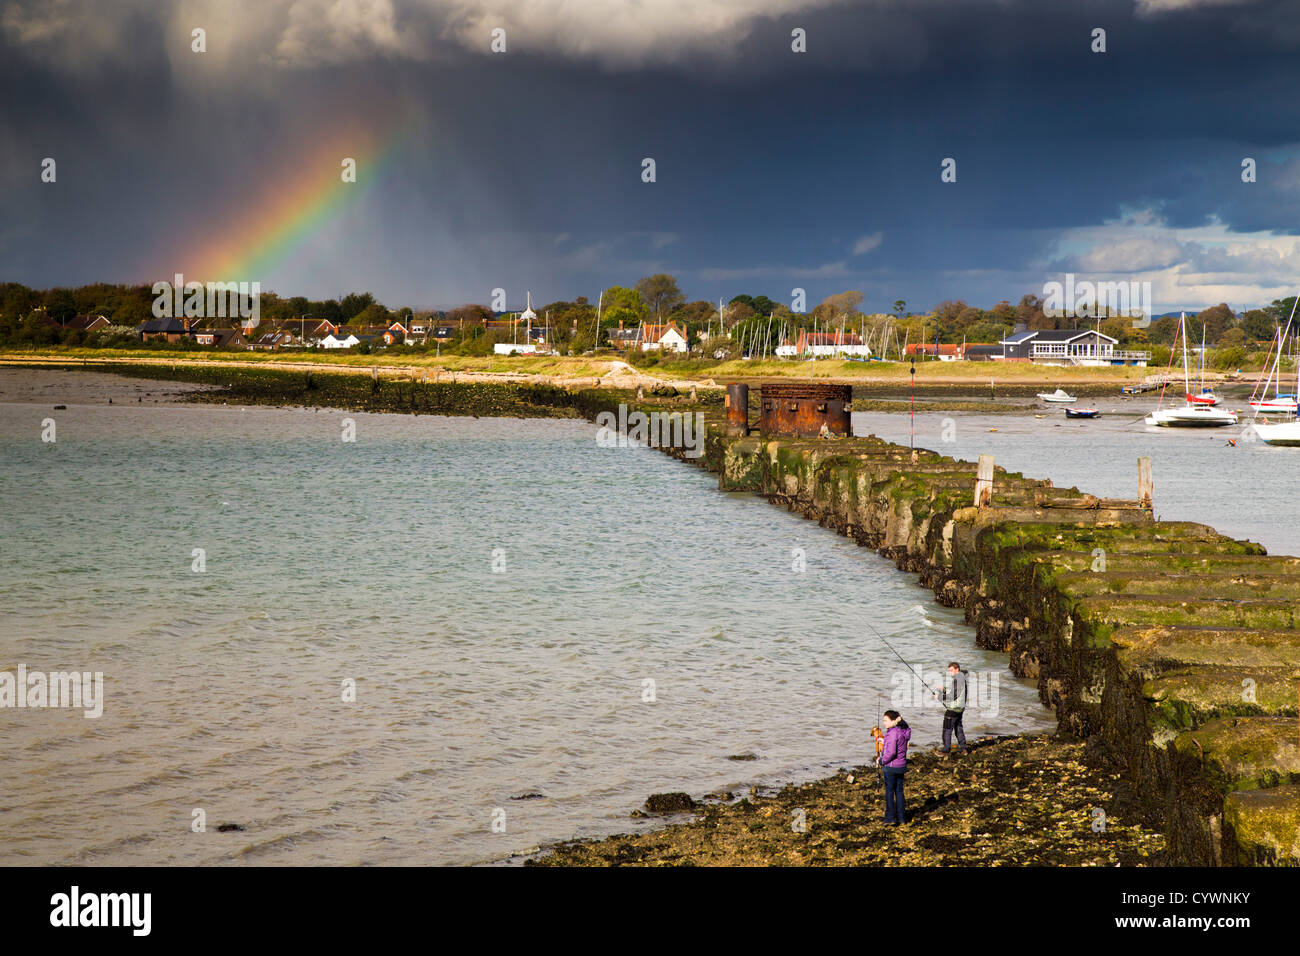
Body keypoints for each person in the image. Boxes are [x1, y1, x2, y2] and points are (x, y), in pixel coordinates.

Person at [879, 709, 910, 825]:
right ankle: (902, 818)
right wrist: (885, 741)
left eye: (886, 720)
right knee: (899, 791)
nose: (884, 723)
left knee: (889, 792)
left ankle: (890, 817)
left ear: (893, 721)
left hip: (891, 767)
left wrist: (882, 761)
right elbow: (899, 744)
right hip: (901, 765)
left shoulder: (892, 733)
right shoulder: (904, 731)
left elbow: (891, 752)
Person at [934, 661, 968, 754]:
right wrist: (943, 689)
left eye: (951, 670)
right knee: (958, 727)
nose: (950, 673)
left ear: (957, 669)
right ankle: (963, 748)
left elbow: (953, 695)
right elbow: (955, 690)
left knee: (947, 729)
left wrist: (939, 697)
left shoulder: (958, 679)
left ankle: (946, 750)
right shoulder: (961, 678)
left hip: (953, 709)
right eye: (948, 671)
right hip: (960, 708)